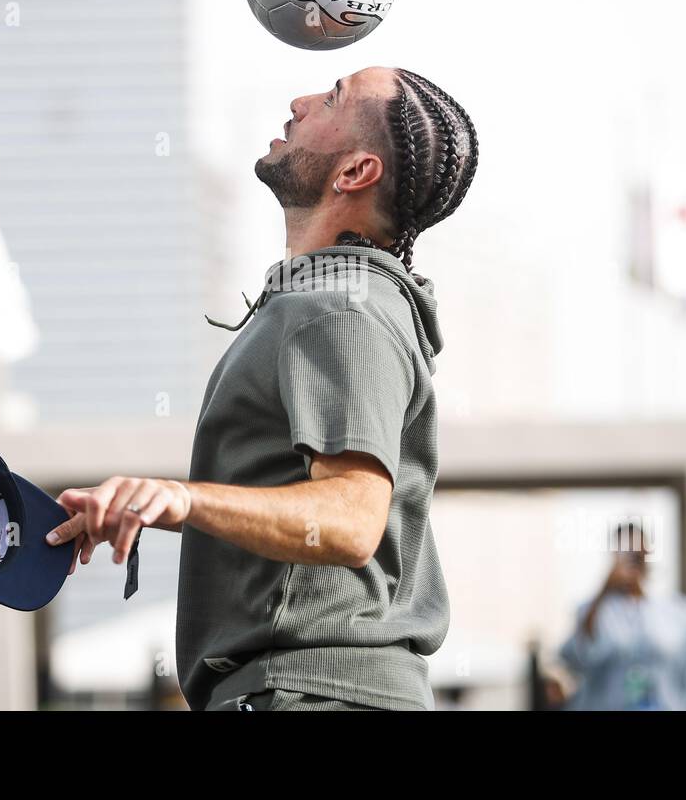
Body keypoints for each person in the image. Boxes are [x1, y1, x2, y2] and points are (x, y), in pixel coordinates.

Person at [44, 67, 478, 710]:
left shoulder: (341, 308)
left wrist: (182, 501)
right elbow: (302, 521)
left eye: (331, 98)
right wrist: (150, 506)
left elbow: (352, 519)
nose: (299, 102)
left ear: (356, 172)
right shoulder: (332, 302)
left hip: (312, 694)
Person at [559, 522, 686, 710]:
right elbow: (579, 658)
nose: (633, 561)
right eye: (626, 553)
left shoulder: (677, 612)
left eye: (638, 554)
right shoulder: (594, 610)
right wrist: (604, 591)